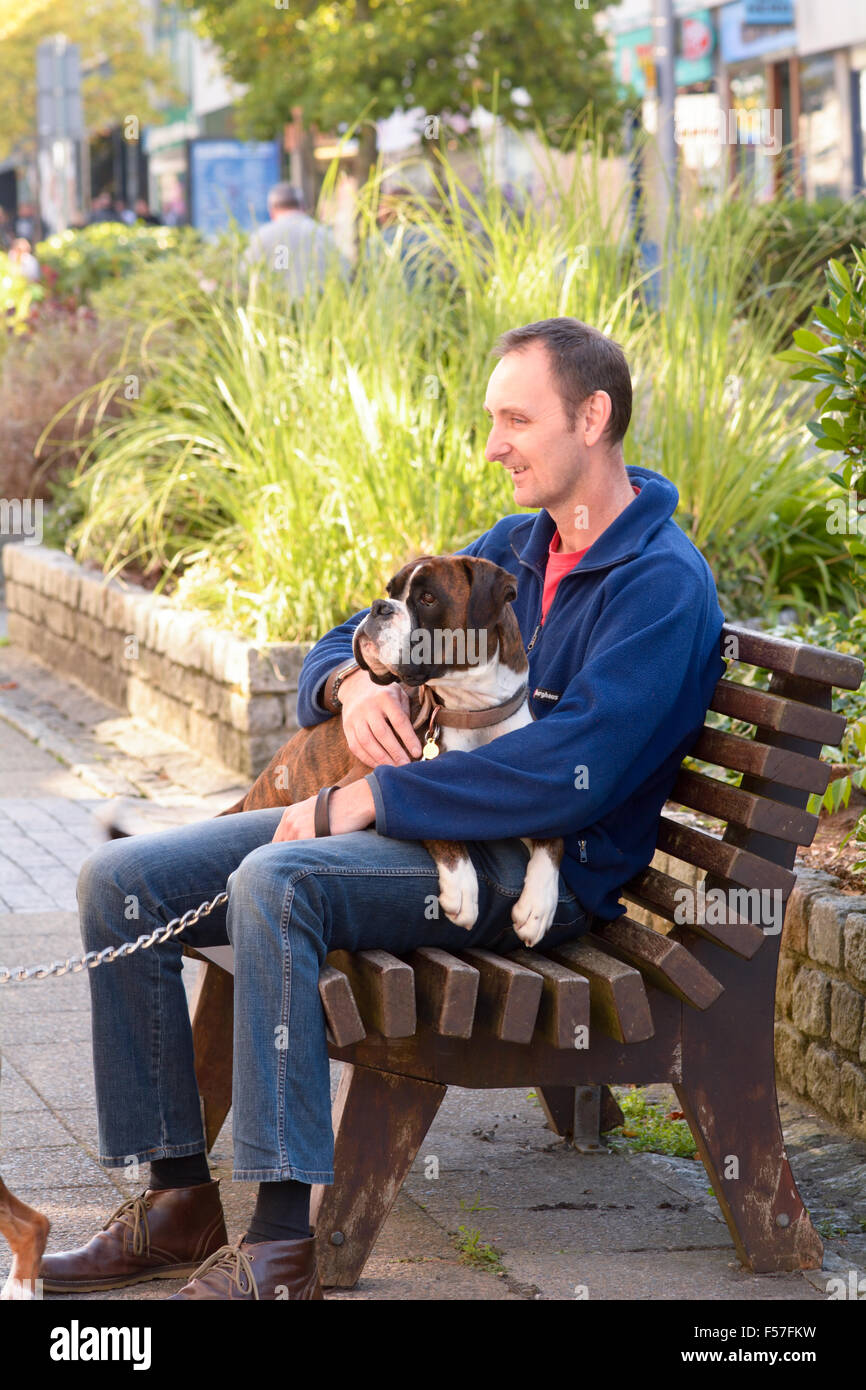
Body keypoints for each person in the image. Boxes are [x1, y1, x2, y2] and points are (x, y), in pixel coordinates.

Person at [39, 317, 725, 1301]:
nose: (491, 444)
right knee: (123, 881)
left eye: (513, 419)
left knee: (279, 879)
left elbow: (577, 770)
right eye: (492, 419)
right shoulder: (516, 546)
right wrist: (352, 689)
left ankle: (280, 1245)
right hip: (430, 837)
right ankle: (177, 1201)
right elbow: (345, 637)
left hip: (537, 874)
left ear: (592, 415)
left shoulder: (659, 585)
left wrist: (375, 794)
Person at [240, 180, 349, 302]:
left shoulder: (260, 237)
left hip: (276, 312)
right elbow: (345, 274)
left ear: (272, 209)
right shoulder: (324, 234)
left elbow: (244, 276)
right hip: (321, 312)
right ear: (302, 206)